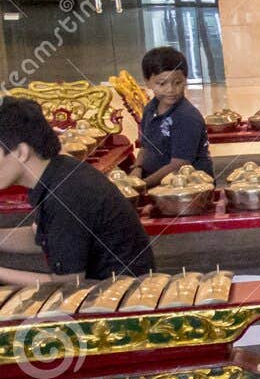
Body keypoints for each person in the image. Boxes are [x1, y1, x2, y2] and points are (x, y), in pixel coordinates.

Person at [0, 97, 154, 286]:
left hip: (120, 299)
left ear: (21, 152)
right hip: (102, 289)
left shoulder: (66, 193)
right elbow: (40, 237)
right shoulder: (59, 170)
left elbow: (67, 284)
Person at [137, 46, 213, 186]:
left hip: (187, 185)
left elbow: (179, 164)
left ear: (185, 80)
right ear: (147, 82)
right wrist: (137, 169)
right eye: (162, 83)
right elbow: (145, 147)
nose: (171, 89)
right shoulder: (150, 109)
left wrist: (143, 185)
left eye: (177, 82)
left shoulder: (187, 117)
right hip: (155, 181)